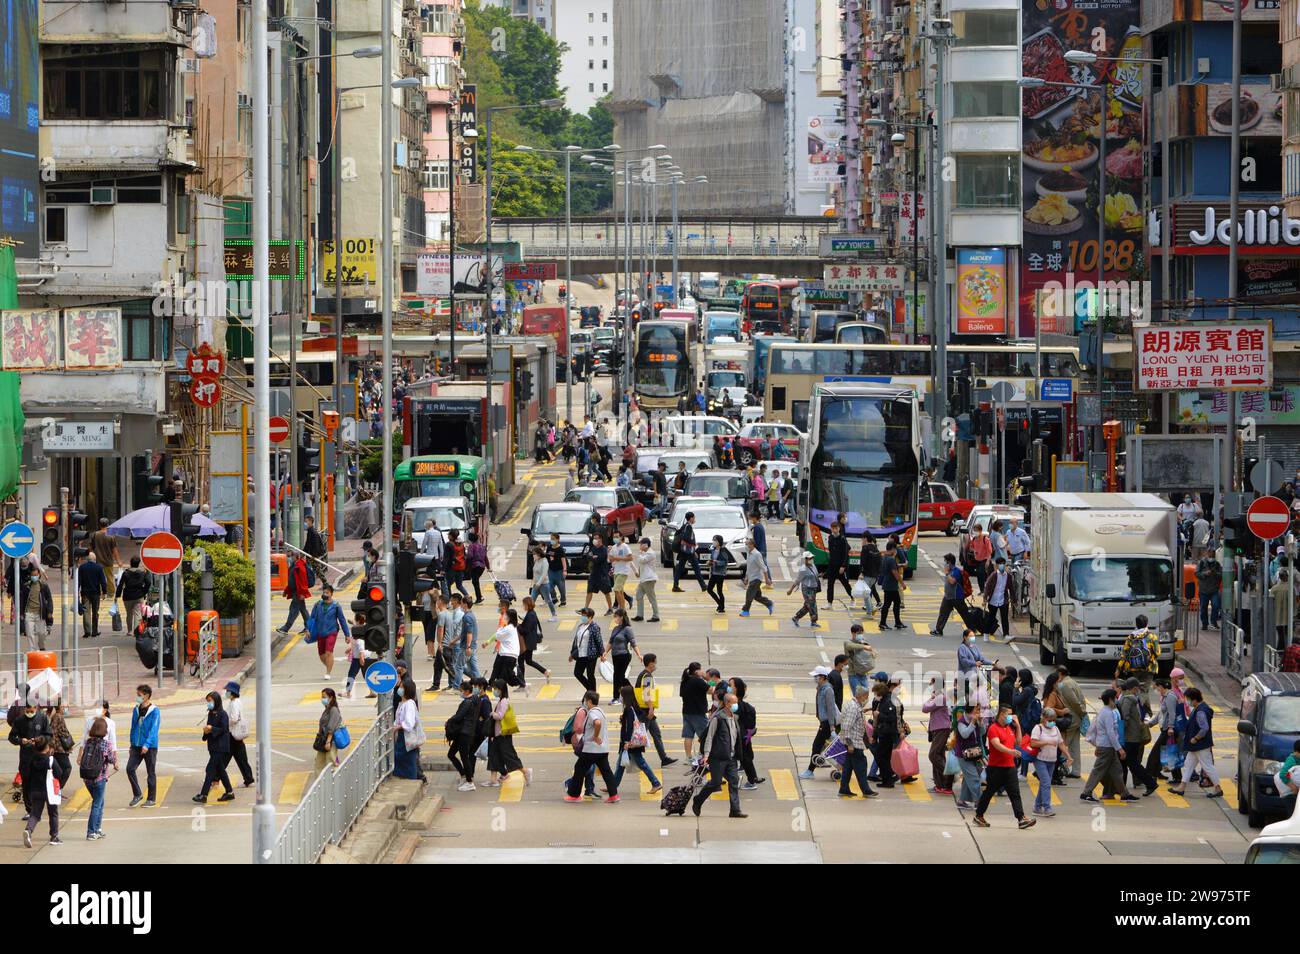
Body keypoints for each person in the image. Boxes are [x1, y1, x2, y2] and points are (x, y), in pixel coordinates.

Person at [971, 706, 1036, 829]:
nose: (1010, 717)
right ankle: (979, 815)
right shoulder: (993, 729)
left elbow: (1018, 742)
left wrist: (1018, 726)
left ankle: (1021, 818)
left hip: (1010, 767)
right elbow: (997, 745)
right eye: (1008, 715)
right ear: (1001, 715)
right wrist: (1011, 752)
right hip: (996, 768)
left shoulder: (1009, 728)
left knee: (1015, 793)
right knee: (989, 793)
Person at [692, 691, 746, 818]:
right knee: (716, 782)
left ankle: (735, 810)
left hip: (731, 757)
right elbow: (709, 737)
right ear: (727, 704)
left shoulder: (735, 717)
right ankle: (698, 800)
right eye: (734, 703)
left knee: (734, 781)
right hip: (717, 757)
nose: (736, 705)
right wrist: (706, 755)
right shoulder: (718, 718)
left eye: (736, 703)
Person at [1080, 688, 1135, 802]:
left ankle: (1124, 794)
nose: (1116, 701)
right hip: (1106, 747)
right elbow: (1111, 733)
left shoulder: (1104, 712)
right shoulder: (1108, 713)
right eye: (1115, 698)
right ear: (1110, 700)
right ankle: (1086, 792)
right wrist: (1119, 749)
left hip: (1106, 746)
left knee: (1117, 771)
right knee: (1098, 771)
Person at [564, 691, 620, 803]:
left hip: (591, 750)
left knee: (579, 769)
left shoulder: (592, 713)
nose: (585, 703)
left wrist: (594, 736)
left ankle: (574, 795)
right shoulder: (601, 711)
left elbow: (597, 723)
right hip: (603, 749)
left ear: (589, 701)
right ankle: (614, 795)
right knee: (606, 772)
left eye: (585, 701)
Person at [1170, 687, 1223, 798]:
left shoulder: (1200, 711)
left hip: (1200, 745)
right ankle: (1182, 787)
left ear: (1194, 699)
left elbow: (1204, 728)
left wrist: (1196, 738)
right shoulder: (1200, 708)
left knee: (1208, 766)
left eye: (1188, 699)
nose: (1187, 702)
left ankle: (1218, 788)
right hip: (1195, 746)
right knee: (1188, 765)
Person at [612, 685, 660, 795]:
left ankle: (655, 783)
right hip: (632, 743)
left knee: (641, 763)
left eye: (622, 695)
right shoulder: (634, 706)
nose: (620, 698)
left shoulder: (629, 709)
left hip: (631, 743)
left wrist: (627, 742)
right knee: (620, 764)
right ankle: (613, 785)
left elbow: (629, 727)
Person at [1116, 677, 1160, 795]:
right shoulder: (1132, 699)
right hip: (1132, 737)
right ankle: (1122, 788)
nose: (1138, 690)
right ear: (1134, 688)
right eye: (1137, 688)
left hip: (1129, 738)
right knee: (1125, 763)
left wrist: (1118, 735)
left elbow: (1124, 718)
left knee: (1131, 764)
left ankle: (1150, 783)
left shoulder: (1127, 700)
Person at [837, 685, 879, 799]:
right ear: (861, 696)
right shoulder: (853, 708)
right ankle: (866, 790)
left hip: (854, 741)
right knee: (861, 766)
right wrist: (849, 744)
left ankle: (844, 788)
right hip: (853, 743)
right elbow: (846, 726)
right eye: (866, 696)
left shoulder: (855, 706)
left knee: (848, 766)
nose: (867, 699)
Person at [634, 654, 676, 767]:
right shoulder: (647, 676)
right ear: (651, 663)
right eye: (655, 662)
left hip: (646, 710)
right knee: (640, 736)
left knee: (656, 734)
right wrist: (651, 709)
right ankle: (632, 757)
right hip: (645, 711)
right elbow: (646, 693)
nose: (656, 664)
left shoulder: (644, 675)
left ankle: (664, 758)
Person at [485, 678, 528, 787]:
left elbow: (500, 716)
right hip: (498, 734)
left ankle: (525, 771)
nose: (494, 691)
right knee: (494, 755)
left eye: (495, 688)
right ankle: (493, 780)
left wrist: (492, 714)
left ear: (500, 689)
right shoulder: (501, 700)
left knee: (509, 756)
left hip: (503, 734)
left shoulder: (504, 701)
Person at [194, 690, 234, 803]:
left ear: (216, 701)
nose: (208, 703)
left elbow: (224, 729)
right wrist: (206, 732)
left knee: (210, 769)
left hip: (221, 747)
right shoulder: (211, 713)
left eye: (210, 701)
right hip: (213, 746)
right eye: (207, 701)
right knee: (220, 770)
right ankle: (230, 792)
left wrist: (212, 729)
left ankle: (203, 795)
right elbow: (209, 727)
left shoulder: (223, 714)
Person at [1028, 707, 1069, 817]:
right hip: (1040, 759)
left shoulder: (1055, 729)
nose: (1052, 722)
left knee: (1044, 784)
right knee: (1046, 783)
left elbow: (1060, 743)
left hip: (1052, 760)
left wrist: (1068, 755)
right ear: (1044, 718)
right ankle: (1047, 807)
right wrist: (1045, 742)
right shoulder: (1038, 728)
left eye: (1053, 720)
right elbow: (1033, 743)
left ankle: (1037, 807)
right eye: (1050, 720)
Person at [81, 716, 117, 841]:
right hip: (99, 777)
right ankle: (91, 832)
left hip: (87, 778)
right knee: (97, 804)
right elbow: (112, 759)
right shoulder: (106, 744)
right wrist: (115, 763)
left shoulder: (88, 742)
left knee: (100, 802)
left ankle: (97, 829)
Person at [799, 667, 839, 779]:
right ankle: (817, 765)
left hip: (827, 724)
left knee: (816, 746)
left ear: (822, 677)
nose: (814, 678)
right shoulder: (821, 688)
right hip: (823, 722)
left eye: (816, 676)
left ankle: (810, 770)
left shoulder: (828, 690)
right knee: (821, 747)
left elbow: (831, 709)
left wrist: (832, 727)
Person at [445, 681, 485, 791]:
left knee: (464, 757)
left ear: (467, 691)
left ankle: (469, 782)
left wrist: (448, 721)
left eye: (461, 691)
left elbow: (459, 716)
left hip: (464, 733)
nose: (460, 693)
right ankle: (463, 775)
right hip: (465, 732)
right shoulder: (476, 699)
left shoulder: (467, 702)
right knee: (451, 754)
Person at [126, 685, 161, 807]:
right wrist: (131, 744)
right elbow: (133, 727)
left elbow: (154, 730)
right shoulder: (136, 709)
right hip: (136, 745)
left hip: (149, 747)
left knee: (150, 772)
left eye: (139, 695)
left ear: (146, 696)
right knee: (130, 768)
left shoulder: (155, 711)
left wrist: (147, 744)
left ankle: (151, 799)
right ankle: (137, 794)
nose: (137, 697)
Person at [306, 584, 349, 681]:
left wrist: (347, 635)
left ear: (331, 594)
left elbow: (342, 620)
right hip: (320, 632)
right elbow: (312, 618)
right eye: (324, 592)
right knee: (322, 656)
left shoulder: (336, 606)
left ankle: (328, 672)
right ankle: (330, 665)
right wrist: (308, 629)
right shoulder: (317, 605)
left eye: (327, 593)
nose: (325, 594)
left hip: (332, 632)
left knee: (328, 652)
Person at [1115, 613, 1160, 696]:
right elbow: (1157, 652)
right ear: (1147, 624)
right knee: (1144, 692)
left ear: (1136, 624)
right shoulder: (1152, 636)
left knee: (1135, 691)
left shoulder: (1131, 637)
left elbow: (1124, 654)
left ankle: (1138, 707)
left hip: (1134, 668)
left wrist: (1118, 668)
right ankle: (1144, 708)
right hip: (1148, 668)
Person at [922, 679, 954, 794]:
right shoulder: (940, 697)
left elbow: (925, 708)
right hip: (938, 728)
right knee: (939, 755)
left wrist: (930, 698)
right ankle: (940, 785)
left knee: (933, 755)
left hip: (941, 729)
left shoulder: (940, 698)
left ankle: (949, 776)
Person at [951, 703, 985, 809]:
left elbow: (982, 733)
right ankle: (979, 801)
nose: (978, 711)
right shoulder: (962, 721)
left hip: (975, 753)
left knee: (969, 777)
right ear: (970, 709)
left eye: (979, 709)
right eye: (977, 709)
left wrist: (981, 723)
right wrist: (973, 722)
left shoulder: (975, 719)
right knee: (974, 778)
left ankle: (963, 800)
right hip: (964, 754)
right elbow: (964, 734)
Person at [1055, 665, 1086, 776]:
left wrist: (1081, 713)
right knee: (1074, 746)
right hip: (1076, 718)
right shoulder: (1072, 682)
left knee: (1062, 745)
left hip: (1071, 718)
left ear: (1060, 674)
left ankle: (1062, 768)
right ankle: (1076, 771)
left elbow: (1075, 702)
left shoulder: (1065, 685)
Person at [931, 553, 973, 636]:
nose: (944, 564)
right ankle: (939, 630)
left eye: (945, 562)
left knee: (965, 614)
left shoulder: (956, 571)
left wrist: (946, 573)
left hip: (957, 598)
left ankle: (973, 629)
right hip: (948, 597)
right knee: (943, 613)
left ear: (949, 563)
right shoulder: (951, 571)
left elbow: (952, 581)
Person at [392, 677, 425, 781]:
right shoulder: (403, 703)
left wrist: (398, 727)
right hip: (403, 736)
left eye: (402, 687)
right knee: (401, 758)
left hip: (407, 737)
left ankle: (410, 779)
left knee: (406, 759)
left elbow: (409, 723)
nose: (399, 689)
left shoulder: (409, 704)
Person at [223, 681, 254, 788]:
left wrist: (227, 724)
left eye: (227, 691)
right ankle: (248, 778)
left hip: (233, 734)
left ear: (232, 692)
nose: (226, 692)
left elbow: (234, 718)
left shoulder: (234, 703)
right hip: (235, 735)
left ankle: (215, 777)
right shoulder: (236, 701)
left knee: (225, 757)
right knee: (241, 758)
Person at [605, 607, 640, 703]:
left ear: (621, 617)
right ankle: (630, 693)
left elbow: (633, 643)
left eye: (616, 617)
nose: (614, 619)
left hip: (624, 655)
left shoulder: (627, 629)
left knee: (618, 676)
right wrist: (605, 652)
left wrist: (639, 654)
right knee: (619, 676)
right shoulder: (615, 629)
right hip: (615, 655)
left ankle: (617, 697)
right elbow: (611, 642)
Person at [516, 596, 550, 688]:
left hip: (528, 642)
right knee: (528, 661)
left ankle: (522, 683)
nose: (523, 606)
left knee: (521, 660)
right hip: (529, 642)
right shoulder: (531, 613)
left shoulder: (531, 615)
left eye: (524, 604)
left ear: (527, 604)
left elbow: (526, 630)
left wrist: (518, 625)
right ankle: (545, 671)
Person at [680, 662, 710, 761]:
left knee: (688, 736)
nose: (703, 672)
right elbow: (711, 691)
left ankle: (688, 758)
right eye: (701, 670)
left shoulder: (685, 680)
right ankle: (703, 755)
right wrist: (708, 680)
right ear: (697, 671)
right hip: (698, 713)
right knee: (704, 735)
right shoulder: (698, 681)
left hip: (686, 711)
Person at [19, 562, 53, 652]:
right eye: (32, 575)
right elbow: (22, 600)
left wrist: (50, 611)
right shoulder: (26, 586)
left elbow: (49, 599)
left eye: (36, 575)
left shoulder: (43, 586)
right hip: (29, 613)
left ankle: (41, 647)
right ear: (30, 575)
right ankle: (32, 650)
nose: (34, 576)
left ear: (39, 575)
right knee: (29, 633)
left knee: (41, 633)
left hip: (40, 613)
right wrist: (22, 613)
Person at [311, 687, 344, 778]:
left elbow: (331, 727)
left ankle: (333, 784)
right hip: (323, 740)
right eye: (322, 697)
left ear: (331, 697)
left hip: (330, 741)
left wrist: (328, 741)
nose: (323, 699)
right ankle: (319, 786)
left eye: (324, 697)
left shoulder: (333, 710)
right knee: (319, 763)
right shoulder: (327, 709)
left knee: (331, 763)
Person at [569, 606, 603, 692]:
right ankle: (591, 690)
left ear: (590, 617)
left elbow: (599, 641)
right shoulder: (580, 626)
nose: (582, 617)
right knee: (577, 673)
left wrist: (602, 654)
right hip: (580, 655)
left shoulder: (594, 627)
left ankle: (592, 693)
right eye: (582, 615)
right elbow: (576, 641)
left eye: (585, 615)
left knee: (590, 675)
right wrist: (572, 654)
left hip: (590, 655)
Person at [671, 512, 707, 592]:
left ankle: (675, 586)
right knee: (696, 568)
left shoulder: (684, 525)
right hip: (688, 552)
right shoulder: (689, 527)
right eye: (694, 518)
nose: (695, 519)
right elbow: (687, 538)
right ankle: (703, 586)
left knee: (680, 568)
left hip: (684, 551)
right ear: (691, 518)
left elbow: (677, 533)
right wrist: (693, 548)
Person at [738, 536, 774, 616]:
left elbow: (764, 568)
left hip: (756, 578)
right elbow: (749, 567)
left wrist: (767, 579)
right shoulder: (749, 553)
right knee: (757, 596)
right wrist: (746, 578)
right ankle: (769, 603)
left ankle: (746, 611)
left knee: (749, 595)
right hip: (751, 578)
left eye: (746, 544)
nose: (745, 546)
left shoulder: (757, 554)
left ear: (752, 545)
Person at [982, 557, 1016, 640]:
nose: (1002, 566)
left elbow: (1011, 588)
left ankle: (1006, 635)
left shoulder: (1008, 576)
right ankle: (986, 633)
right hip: (993, 600)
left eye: (1003, 564)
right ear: (996, 566)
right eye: (1000, 564)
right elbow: (987, 587)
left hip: (1003, 600)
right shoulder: (993, 575)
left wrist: (1013, 599)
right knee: (991, 618)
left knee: (1004, 618)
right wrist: (985, 599)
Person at [487, 607, 522, 688]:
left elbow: (497, 636)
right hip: (505, 653)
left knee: (505, 677)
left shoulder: (509, 628)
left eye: (506, 615)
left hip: (508, 655)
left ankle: (521, 684)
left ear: (509, 617)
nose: (504, 616)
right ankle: (491, 685)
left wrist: (501, 628)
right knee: (498, 671)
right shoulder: (511, 627)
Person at [277, 554, 311, 636]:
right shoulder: (294, 565)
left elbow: (303, 581)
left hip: (299, 592)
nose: (290, 557)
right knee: (303, 610)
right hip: (296, 592)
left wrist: (303, 593)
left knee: (293, 609)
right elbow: (292, 580)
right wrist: (286, 591)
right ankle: (309, 627)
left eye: (292, 555)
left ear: (296, 557)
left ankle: (286, 628)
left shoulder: (299, 566)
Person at [77, 551, 109, 638]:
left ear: (87, 559)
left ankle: (87, 631)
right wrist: (104, 592)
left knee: (86, 612)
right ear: (95, 559)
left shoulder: (82, 568)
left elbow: (78, 581)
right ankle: (94, 631)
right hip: (96, 593)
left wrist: (77, 591)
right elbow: (103, 581)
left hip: (85, 593)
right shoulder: (99, 567)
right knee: (95, 612)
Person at [117, 556, 150, 636]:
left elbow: (120, 585)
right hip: (139, 595)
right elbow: (148, 582)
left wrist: (117, 595)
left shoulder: (126, 573)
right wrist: (144, 592)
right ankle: (136, 631)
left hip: (127, 596)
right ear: (138, 564)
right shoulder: (142, 573)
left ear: (130, 563)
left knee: (129, 614)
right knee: (138, 613)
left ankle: (129, 631)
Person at [788, 552, 822, 628]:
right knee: (812, 605)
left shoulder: (813, 565)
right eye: (809, 558)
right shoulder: (803, 569)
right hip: (807, 589)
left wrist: (819, 575)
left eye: (811, 558)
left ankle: (796, 617)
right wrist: (790, 590)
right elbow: (797, 580)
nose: (811, 559)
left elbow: (815, 574)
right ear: (805, 559)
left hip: (813, 588)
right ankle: (813, 621)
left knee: (808, 605)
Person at [631, 537, 661, 622]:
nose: (639, 546)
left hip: (649, 579)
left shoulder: (650, 553)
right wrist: (638, 573)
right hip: (643, 579)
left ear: (646, 545)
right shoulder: (644, 552)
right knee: (638, 595)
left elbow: (642, 560)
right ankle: (640, 615)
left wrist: (638, 555)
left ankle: (656, 616)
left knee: (651, 597)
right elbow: (641, 565)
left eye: (641, 544)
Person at [843, 624, 876, 698]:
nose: (860, 635)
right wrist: (864, 647)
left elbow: (872, 652)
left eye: (861, 633)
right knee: (857, 696)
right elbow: (850, 646)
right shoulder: (848, 642)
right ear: (853, 633)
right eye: (858, 633)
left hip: (863, 674)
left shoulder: (863, 642)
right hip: (853, 674)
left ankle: (861, 708)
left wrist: (872, 653)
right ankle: (858, 709)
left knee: (865, 695)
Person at [584, 531, 614, 614]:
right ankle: (585, 608)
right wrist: (592, 557)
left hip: (602, 574)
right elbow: (588, 556)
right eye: (594, 538)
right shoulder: (593, 548)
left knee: (606, 592)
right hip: (593, 574)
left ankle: (610, 608)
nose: (595, 540)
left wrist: (593, 557)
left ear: (600, 539)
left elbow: (598, 560)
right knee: (589, 591)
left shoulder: (603, 550)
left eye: (597, 538)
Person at [825, 521, 852, 607]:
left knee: (845, 584)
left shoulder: (843, 539)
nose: (834, 530)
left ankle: (853, 597)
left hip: (840, 566)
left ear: (839, 528)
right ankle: (829, 603)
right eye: (832, 528)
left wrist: (843, 566)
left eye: (836, 528)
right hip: (832, 565)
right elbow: (830, 551)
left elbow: (845, 554)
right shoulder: (830, 538)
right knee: (830, 584)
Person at [878, 541, 904, 630]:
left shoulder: (884, 557)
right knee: (888, 604)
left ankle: (897, 622)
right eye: (895, 549)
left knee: (895, 602)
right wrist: (902, 583)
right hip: (891, 585)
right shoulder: (891, 559)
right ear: (893, 549)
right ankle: (883, 623)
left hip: (887, 584)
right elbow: (895, 573)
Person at [609, 531, 634, 611]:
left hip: (623, 571)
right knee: (620, 591)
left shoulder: (625, 546)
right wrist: (610, 555)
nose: (615, 539)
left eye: (617, 537)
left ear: (621, 537)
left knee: (616, 589)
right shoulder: (614, 547)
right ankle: (621, 607)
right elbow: (611, 559)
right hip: (616, 570)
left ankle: (622, 608)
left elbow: (630, 558)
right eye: (614, 537)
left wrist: (619, 558)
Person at [1195, 554, 1222, 629]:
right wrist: (1205, 574)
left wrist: (1215, 573)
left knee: (1216, 606)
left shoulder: (1217, 564)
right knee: (1203, 607)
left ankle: (1213, 621)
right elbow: (1196, 573)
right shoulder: (1201, 563)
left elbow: (1221, 575)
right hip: (1203, 590)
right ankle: (1204, 623)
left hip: (1214, 590)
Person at [466, 530, 489, 605]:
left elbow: (470, 556)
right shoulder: (482, 546)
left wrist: (467, 568)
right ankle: (479, 596)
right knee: (475, 581)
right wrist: (488, 567)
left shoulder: (471, 546)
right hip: (482, 567)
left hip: (474, 566)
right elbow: (485, 557)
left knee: (475, 582)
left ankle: (479, 598)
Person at [859, 534, 882, 608]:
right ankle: (871, 606)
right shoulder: (876, 550)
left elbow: (863, 562)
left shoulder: (865, 548)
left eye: (862, 539)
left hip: (867, 574)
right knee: (869, 592)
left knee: (866, 594)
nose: (861, 541)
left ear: (865, 539)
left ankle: (870, 610)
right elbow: (879, 562)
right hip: (874, 576)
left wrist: (862, 573)